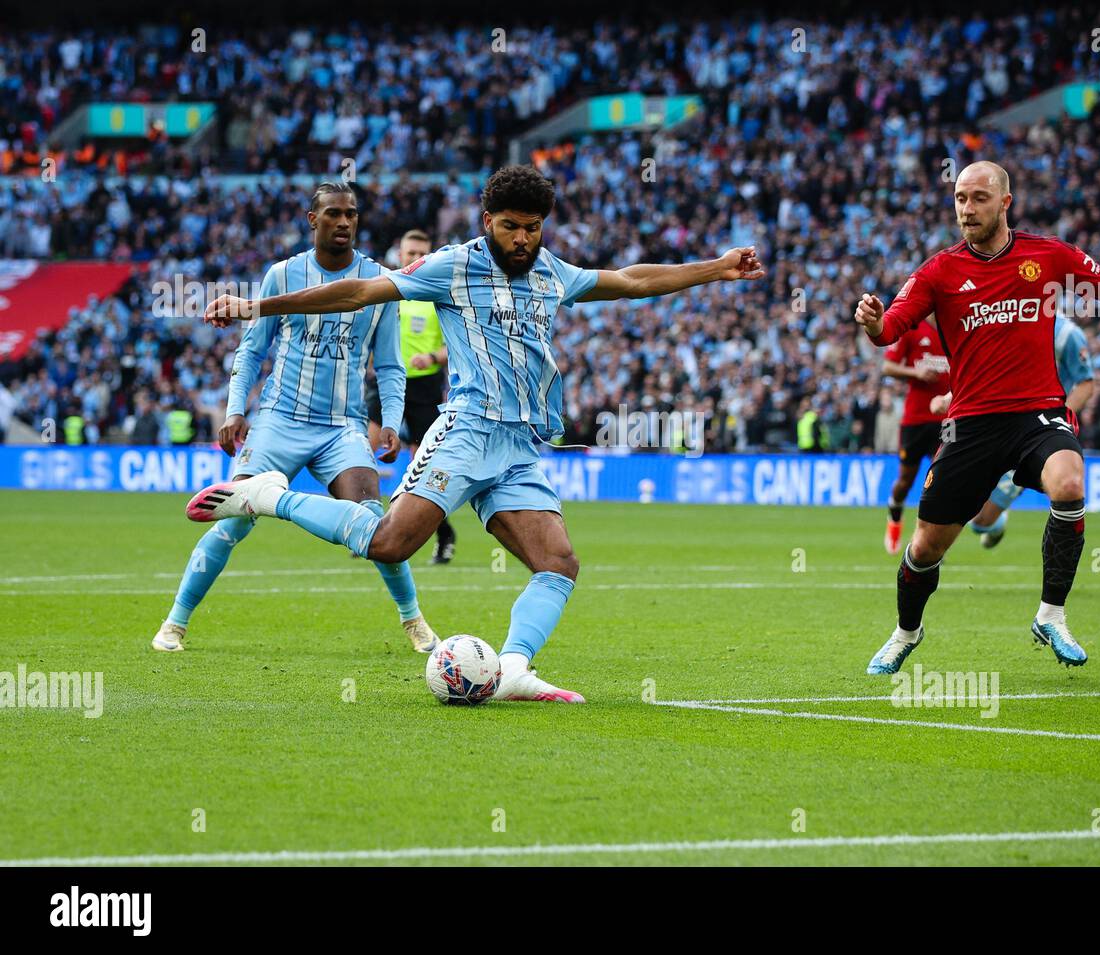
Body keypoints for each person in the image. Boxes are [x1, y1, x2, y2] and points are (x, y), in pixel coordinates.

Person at [190, 165, 764, 702]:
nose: (521, 239)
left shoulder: (552, 271)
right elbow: (362, 292)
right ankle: (268, 496)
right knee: (389, 544)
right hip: (465, 433)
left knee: (558, 563)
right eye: (510, 226)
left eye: (532, 228)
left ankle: (513, 668)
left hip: (518, 446)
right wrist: (258, 307)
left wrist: (714, 268)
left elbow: (631, 280)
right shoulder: (452, 266)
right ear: (487, 222)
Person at [853, 160, 1100, 674]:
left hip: (1037, 416)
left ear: (1005, 202)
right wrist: (874, 324)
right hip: (972, 425)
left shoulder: (1047, 257)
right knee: (925, 548)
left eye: (979, 198)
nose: (967, 208)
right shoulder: (939, 271)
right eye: (960, 198)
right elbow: (891, 328)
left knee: (1070, 483)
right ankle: (905, 632)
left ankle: (1051, 614)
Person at [151, 182, 437, 655]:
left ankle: (414, 622)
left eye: (351, 214)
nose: (344, 222)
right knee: (234, 520)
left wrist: (391, 420)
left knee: (373, 519)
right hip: (279, 420)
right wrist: (235, 409)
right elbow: (252, 347)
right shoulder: (282, 275)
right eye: (333, 214)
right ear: (313, 220)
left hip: (342, 426)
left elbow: (388, 363)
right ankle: (175, 623)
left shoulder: (379, 282)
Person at [929, 313, 1094, 548]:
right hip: (994, 426)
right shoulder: (1005, 321)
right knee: (974, 517)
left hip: (1036, 436)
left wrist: (1055, 422)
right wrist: (949, 398)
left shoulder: (1068, 335)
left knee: (982, 521)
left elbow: (1086, 383)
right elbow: (983, 373)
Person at [366, 229, 458, 564]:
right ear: (399, 254)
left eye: (421, 252)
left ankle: (443, 532)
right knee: (365, 450)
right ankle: (366, 528)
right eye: (409, 253)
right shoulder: (388, 291)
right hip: (387, 383)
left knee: (423, 469)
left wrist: (433, 358)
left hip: (424, 387)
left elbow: (456, 343)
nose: (414, 257)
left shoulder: (437, 295)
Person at [881, 318, 950, 553]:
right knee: (905, 481)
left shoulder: (955, 324)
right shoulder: (912, 328)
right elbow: (887, 367)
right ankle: (895, 515)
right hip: (915, 420)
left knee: (941, 481)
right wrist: (915, 372)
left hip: (947, 419)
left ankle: (929, 543)